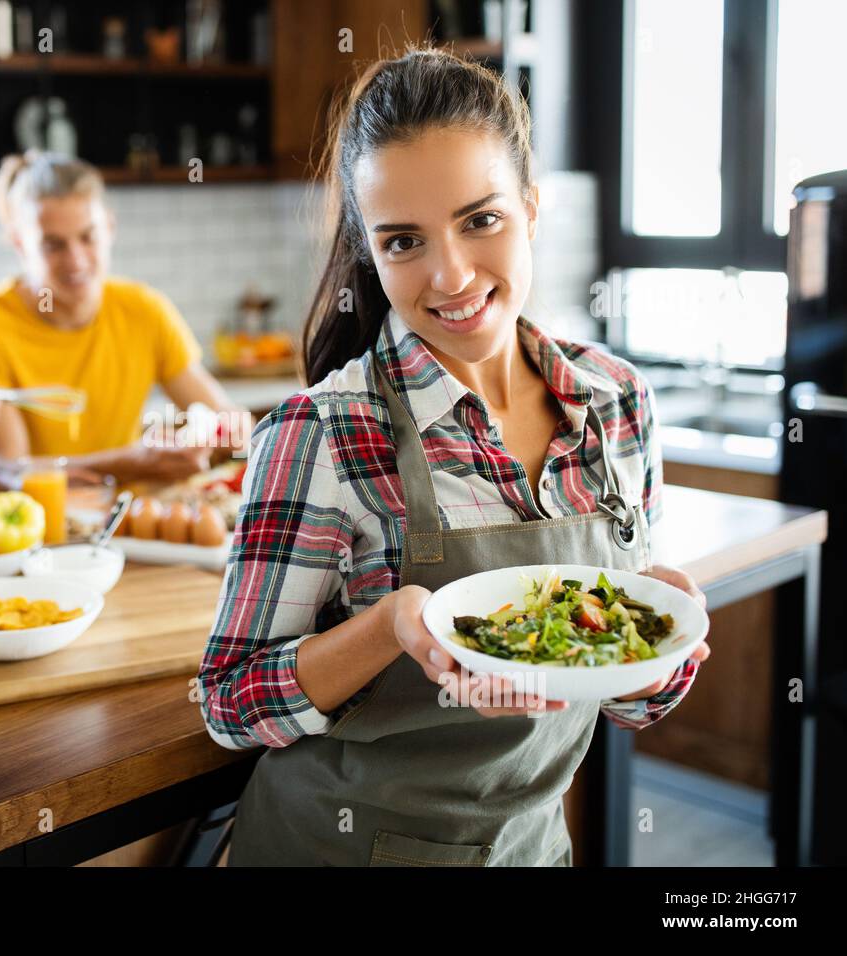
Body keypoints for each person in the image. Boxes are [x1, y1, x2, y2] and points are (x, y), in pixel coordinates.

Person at [198, 47, 711, 867]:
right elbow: (227, 704)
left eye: (482, 220)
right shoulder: (321, 434)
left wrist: (658, 654)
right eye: (404, 241)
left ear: (532, 210)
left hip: (527, 850)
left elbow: (626, 692)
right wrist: (392, 626)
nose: (451, 273)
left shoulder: (616, 403)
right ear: (370, 251)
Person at [0, 151, 253, 483]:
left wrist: (208, 434)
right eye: (53, 245)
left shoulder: (143, 309)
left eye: (88, 237)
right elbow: (9, 471)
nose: (75, 260)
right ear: (20, 244)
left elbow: (234, 425)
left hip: (128, 521)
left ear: (109, 228)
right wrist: (130, 463)